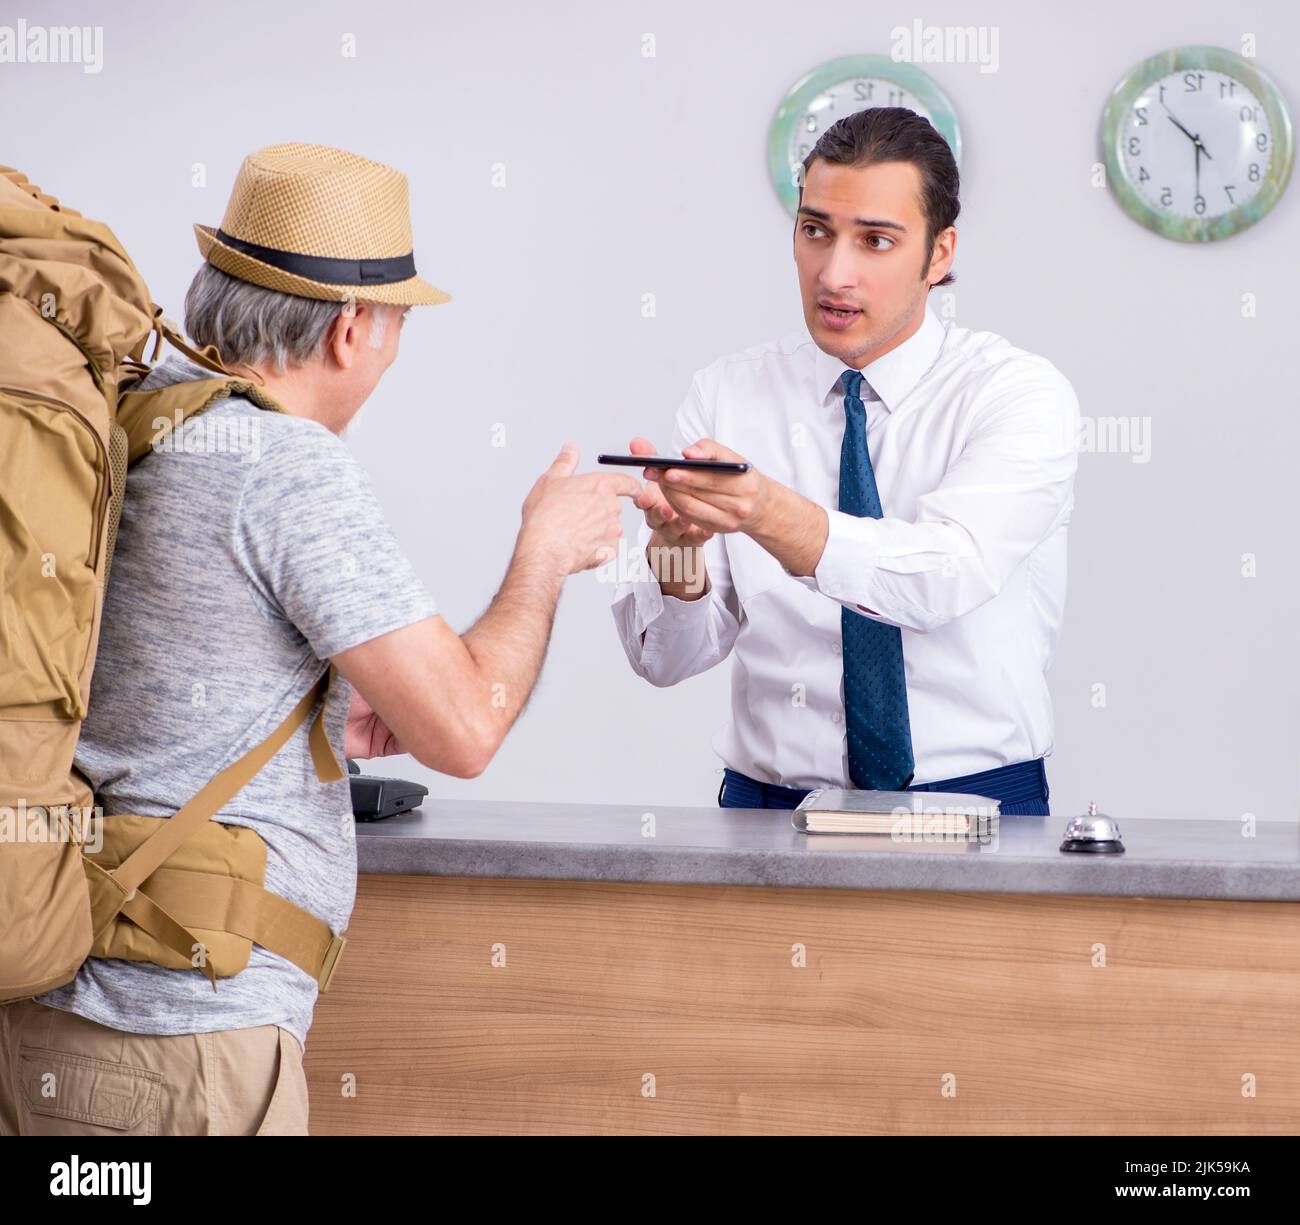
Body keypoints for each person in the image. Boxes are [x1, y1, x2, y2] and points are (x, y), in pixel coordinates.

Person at [0, 142, 637, 1136]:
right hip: (183, 1051)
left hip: (46, 1027)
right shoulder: (282, 464)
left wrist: (331, 698)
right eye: (396, 324)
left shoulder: (129, 417)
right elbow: (467, 729)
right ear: (352, 329)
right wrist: (544, 553)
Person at [611, 108, 1080, 816]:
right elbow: (667, 660)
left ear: (940, 253)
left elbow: (940, 576)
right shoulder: (728, 393)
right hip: (767, 812)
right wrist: (677, 559)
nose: (835, 273)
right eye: (815, 231)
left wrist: (768, 513)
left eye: (877, 241)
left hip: (979, 808)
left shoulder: (1017, 394)